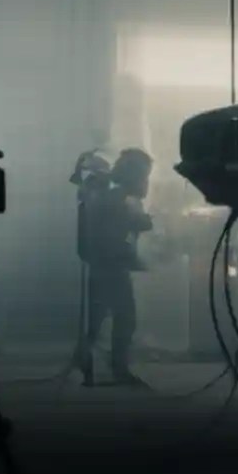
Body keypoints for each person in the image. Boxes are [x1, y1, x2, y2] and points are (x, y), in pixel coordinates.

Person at [78, 148, 154, 386]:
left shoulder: (105, 193)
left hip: (100, 265)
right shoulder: (117, 197)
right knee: (125, 318)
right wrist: (141, 222)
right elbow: (116, 234)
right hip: (110, 267)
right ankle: (117, 369)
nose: (146, 182)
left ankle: (85, 364)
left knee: (96, 320)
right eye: (144, 176)